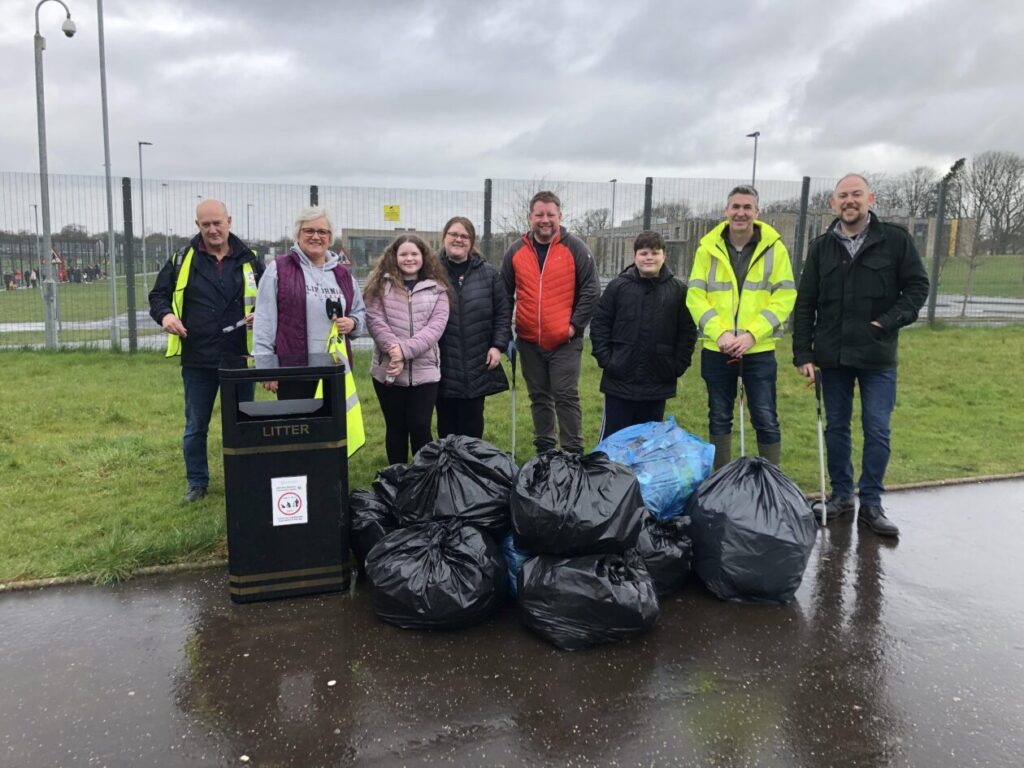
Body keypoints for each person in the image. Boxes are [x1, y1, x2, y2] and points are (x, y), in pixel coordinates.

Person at [792, 173, 930, 537]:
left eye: (856, 194)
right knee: (836, 427)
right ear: (832, 204)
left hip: (877, 356)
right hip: (831, 356)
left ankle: (871, 503)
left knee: (877, 428)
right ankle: (841, 496)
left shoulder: (895, 240)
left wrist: (887, 322)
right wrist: (803, 352)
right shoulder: (821, 247)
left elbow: (917, 287)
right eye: (842, 196)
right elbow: (805, 303)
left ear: (871, 198)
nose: (849, 201)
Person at [149, 199, 263, 503]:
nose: (212, 230)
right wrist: (166, 316)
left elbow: (270, 299)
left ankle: (243, 478)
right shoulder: (182, 259)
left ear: (229, 221)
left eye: (217, 223)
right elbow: (158, 296)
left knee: (241, 424)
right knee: (195, 426)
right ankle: (197, 483)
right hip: (198, 358)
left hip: (240, 357)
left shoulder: (250, 259)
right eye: (205, 225)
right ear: (197, 226)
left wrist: (262, 314)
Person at [686, 184, 796, 471]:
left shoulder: (775, 248)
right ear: (726, 211)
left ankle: (772, 483)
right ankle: (722, 480)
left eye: (747, 207)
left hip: (758, 348)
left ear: (757, 212)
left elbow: (785, 297)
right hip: (716, 348)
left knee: (765, 417)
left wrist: (752, 335)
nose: (741, 213)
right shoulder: (706, 249)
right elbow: (695, 295)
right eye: (736, 207)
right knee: (719, 416)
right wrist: (719, 333)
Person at [499, 190, 600, 454]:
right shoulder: (516, 251)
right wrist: (506, 334)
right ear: (530, 217)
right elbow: (503, 293)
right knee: (539, 397)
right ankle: (545, 452)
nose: (545, 220)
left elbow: (591, 290)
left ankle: (572, 454)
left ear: (560, 216)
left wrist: (574, 326)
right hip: (529, 341)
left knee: (565, 396)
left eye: (550, 215)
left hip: (564, 342)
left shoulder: (576, 248)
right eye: (539, 215)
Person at [591, 231, 697, 439]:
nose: (649, 257)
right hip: (619, 380)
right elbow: (600, 324)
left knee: (648, 442)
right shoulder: (618, 287)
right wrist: (607, 359)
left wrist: (676, 365)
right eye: (643, 253)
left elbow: (687, 332)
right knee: (614, 440)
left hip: (657, 381)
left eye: (655, 253)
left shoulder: (678, 291)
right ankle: (610, 472)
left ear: (664, 256)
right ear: (635, 256)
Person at [252, 207, 366, 401]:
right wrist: (265, 366)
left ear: (330, 238)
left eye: (322, 232)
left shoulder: (343, 275)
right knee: (297, 428)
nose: (316, 236)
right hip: (293, 369)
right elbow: (264, 320)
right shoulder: (279, 269)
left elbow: (360, 311)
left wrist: (353, 322)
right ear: (298, 234)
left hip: (335, 369)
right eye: (309, 231)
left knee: (333, 430)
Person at [363, 234, 451, 465]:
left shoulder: (438, 290)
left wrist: (403, 352)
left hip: (425, 373)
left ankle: (424, 481)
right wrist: (394, 353)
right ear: (394, 257)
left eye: (414, 254)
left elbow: (435, 329)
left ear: (424, 257)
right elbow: (375, 321)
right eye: (404, 254)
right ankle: (397, 481)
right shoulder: (379, 287)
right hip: (388, 370)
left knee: (421, 426)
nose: (409, 258)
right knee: (396, 428)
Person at [436, 216, 511, 439]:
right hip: (443, 360)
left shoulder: (488, 273)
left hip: (477, 361)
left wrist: (498, 346)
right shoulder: (430, 270)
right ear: (444, 237)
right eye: (454, 234)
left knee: (473, 421)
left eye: (464, 236)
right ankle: (448, 468)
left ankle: (472, 468)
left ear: (471, 241)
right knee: (446, 422)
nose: (458, 239)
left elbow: (502, 313)